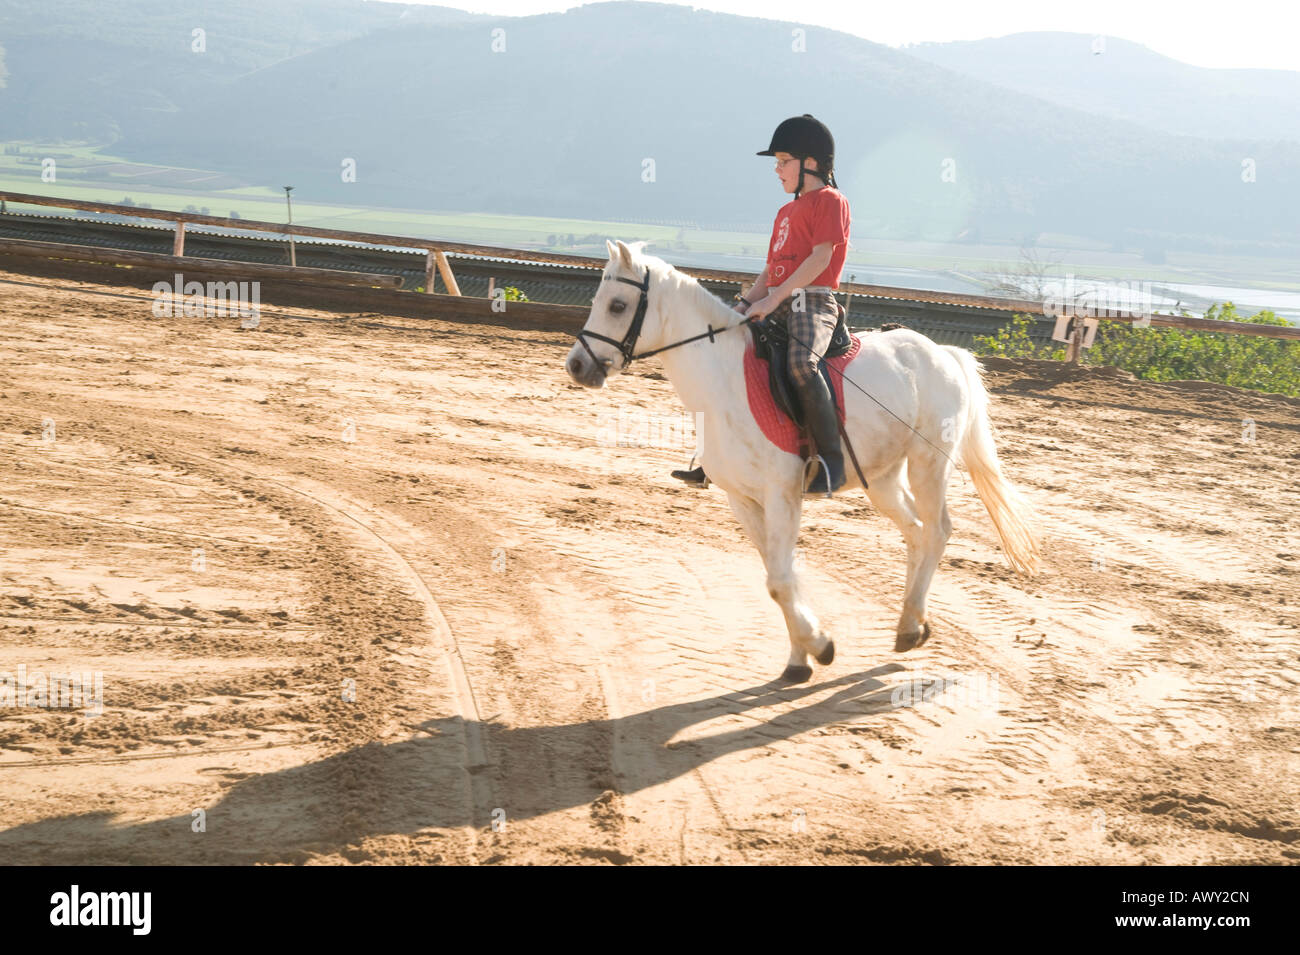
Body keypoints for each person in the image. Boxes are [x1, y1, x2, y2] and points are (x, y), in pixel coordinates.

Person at [671, 114, 852, 494]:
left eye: (784, 161)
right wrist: (742, 305)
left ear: (811, 164)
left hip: (812, 303)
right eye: (778, 162)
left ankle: (832, 463)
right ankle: (715, 456)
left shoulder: (830, 201)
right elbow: (771, 269)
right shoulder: (784, 213)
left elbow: (819, 259)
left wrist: (774, 298)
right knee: (722, 356)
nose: (777, 170)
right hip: (777, 300)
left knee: (802, 365)